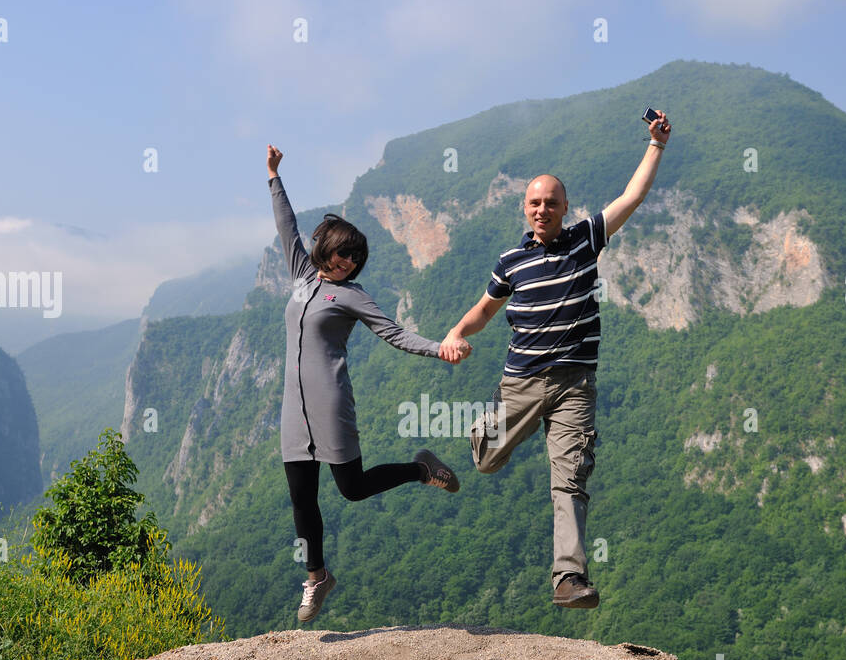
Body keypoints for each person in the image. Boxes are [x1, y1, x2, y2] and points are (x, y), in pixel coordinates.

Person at [439, 110, 671, 608]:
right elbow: (485, 310)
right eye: (534, 203)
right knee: (485, 461)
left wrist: (655, 145)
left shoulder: (586, 240)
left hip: (574, 386)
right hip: (521, 383)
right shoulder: (511, 262)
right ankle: (477, 435)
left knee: (570, 476)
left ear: (566, 207)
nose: (542, 209)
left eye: (551, 203)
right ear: (525, 209)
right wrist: (456, 332)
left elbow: (632, 197)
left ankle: (568, 578)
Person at [268, 144, 463, 623]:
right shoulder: (300, 275)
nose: (350, 262)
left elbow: (394, 333)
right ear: (325, 248)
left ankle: (420, 469)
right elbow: (286, 227)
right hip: (294, 409)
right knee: (301, 497)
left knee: (351, 488)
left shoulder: (351, 295)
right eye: (344, 253)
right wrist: (274, 176)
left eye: (356, 258)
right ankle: (316, 577)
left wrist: (438, 346)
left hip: (331, 405)